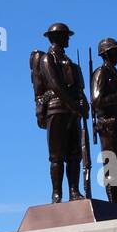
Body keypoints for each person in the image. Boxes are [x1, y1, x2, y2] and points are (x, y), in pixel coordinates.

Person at [29, 22, 88, 204]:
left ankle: (74, 191)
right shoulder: (48, 59)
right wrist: (73, 105)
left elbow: (79, 88)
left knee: (75, 154)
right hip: (57, 109)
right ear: (56, 38)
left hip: (72, 113)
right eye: (65, 36)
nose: (67, 38)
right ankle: (56, 193)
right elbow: (56, 85)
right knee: (57, 156)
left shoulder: (70, 62)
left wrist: (83, 105)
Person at [90, 37, 117, 207]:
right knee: (112, 167)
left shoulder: (115, 73)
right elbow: (96, 101)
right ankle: (114, 203)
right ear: (107, 53)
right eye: (116, 51)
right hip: (108, 127)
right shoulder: (101, 73)